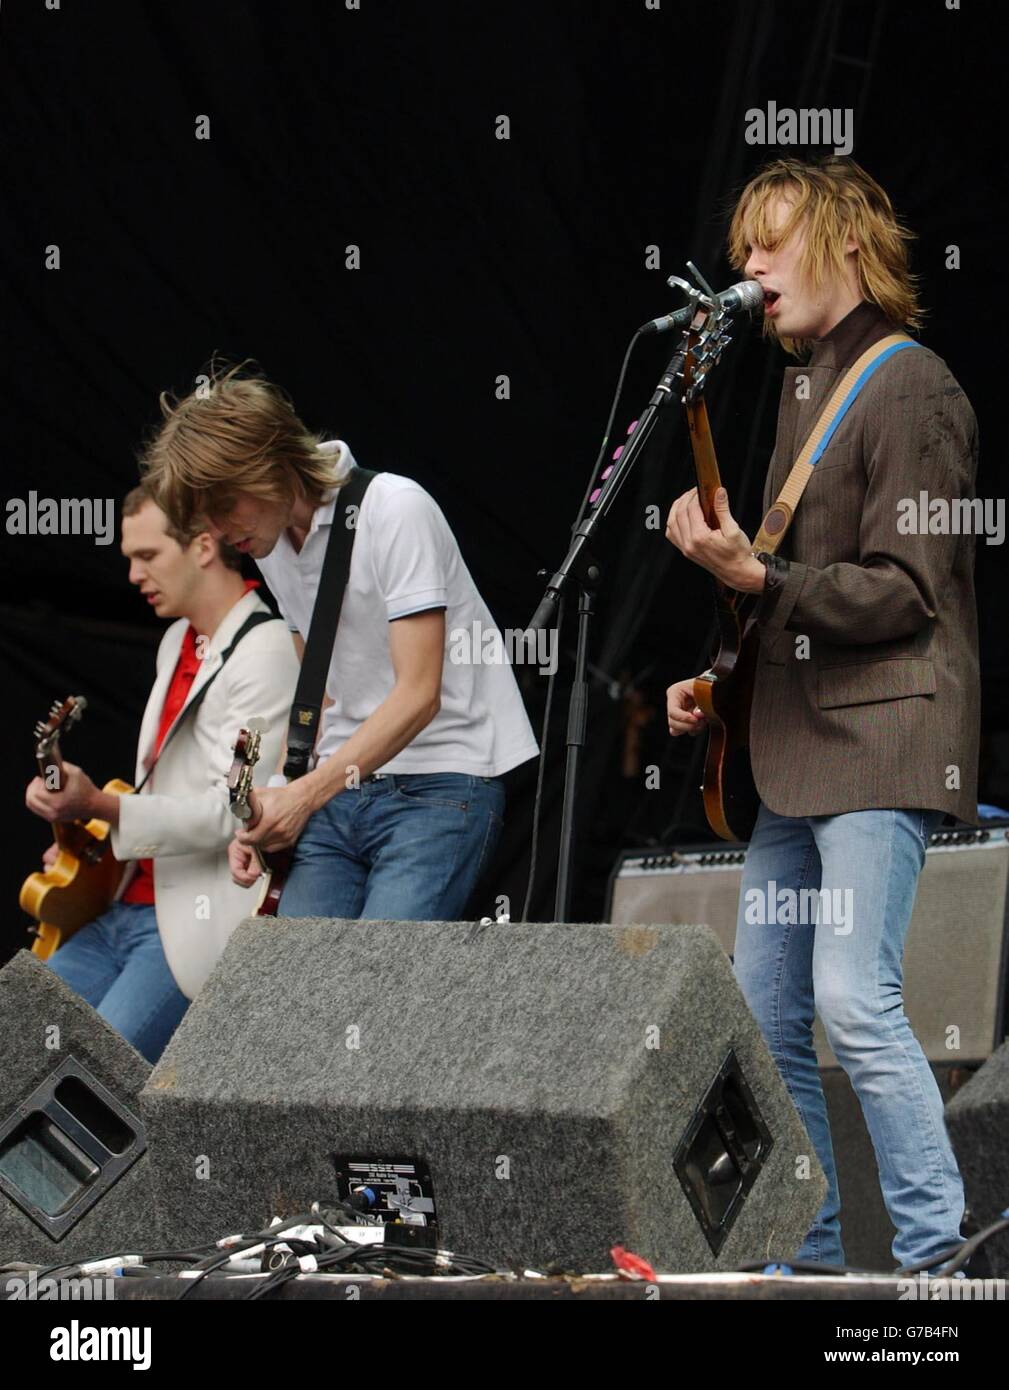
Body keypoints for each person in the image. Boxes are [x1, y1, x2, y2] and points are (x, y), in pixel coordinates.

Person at [664, 156, 979, 1272]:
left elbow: (907, 587)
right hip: (798, 750)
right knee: (764, 1020)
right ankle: (809, 1252)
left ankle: (941, 1258)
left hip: (878, 739)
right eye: (740, 248)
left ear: (844, 242)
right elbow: (786, 586)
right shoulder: (807, 389)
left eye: (767, 243)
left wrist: (756, 577)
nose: (745, 270)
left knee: (853, 997)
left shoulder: (911, 384)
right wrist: (716, 672)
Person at [140, 363, 539, 921]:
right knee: (301, 990)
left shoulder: (395, 508)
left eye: (224, 506)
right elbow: (317, 697)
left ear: (270, 465)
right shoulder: (271, 544)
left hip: (442, 782)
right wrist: (270, 803)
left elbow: (420, 694)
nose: (221, 534)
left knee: (378, 991)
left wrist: (304, 797)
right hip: (339, 792)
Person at [24, 484, 299, 1062]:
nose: (132, 574)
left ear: (203, 546)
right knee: (16, 1051)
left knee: (92, 1089)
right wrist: (84, 839)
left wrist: (99, 806)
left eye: (146, 556)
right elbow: (164, 788)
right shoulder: (178, 639)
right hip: (120, 905)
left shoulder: (269, 649)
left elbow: (236, 810)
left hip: (182, 927)